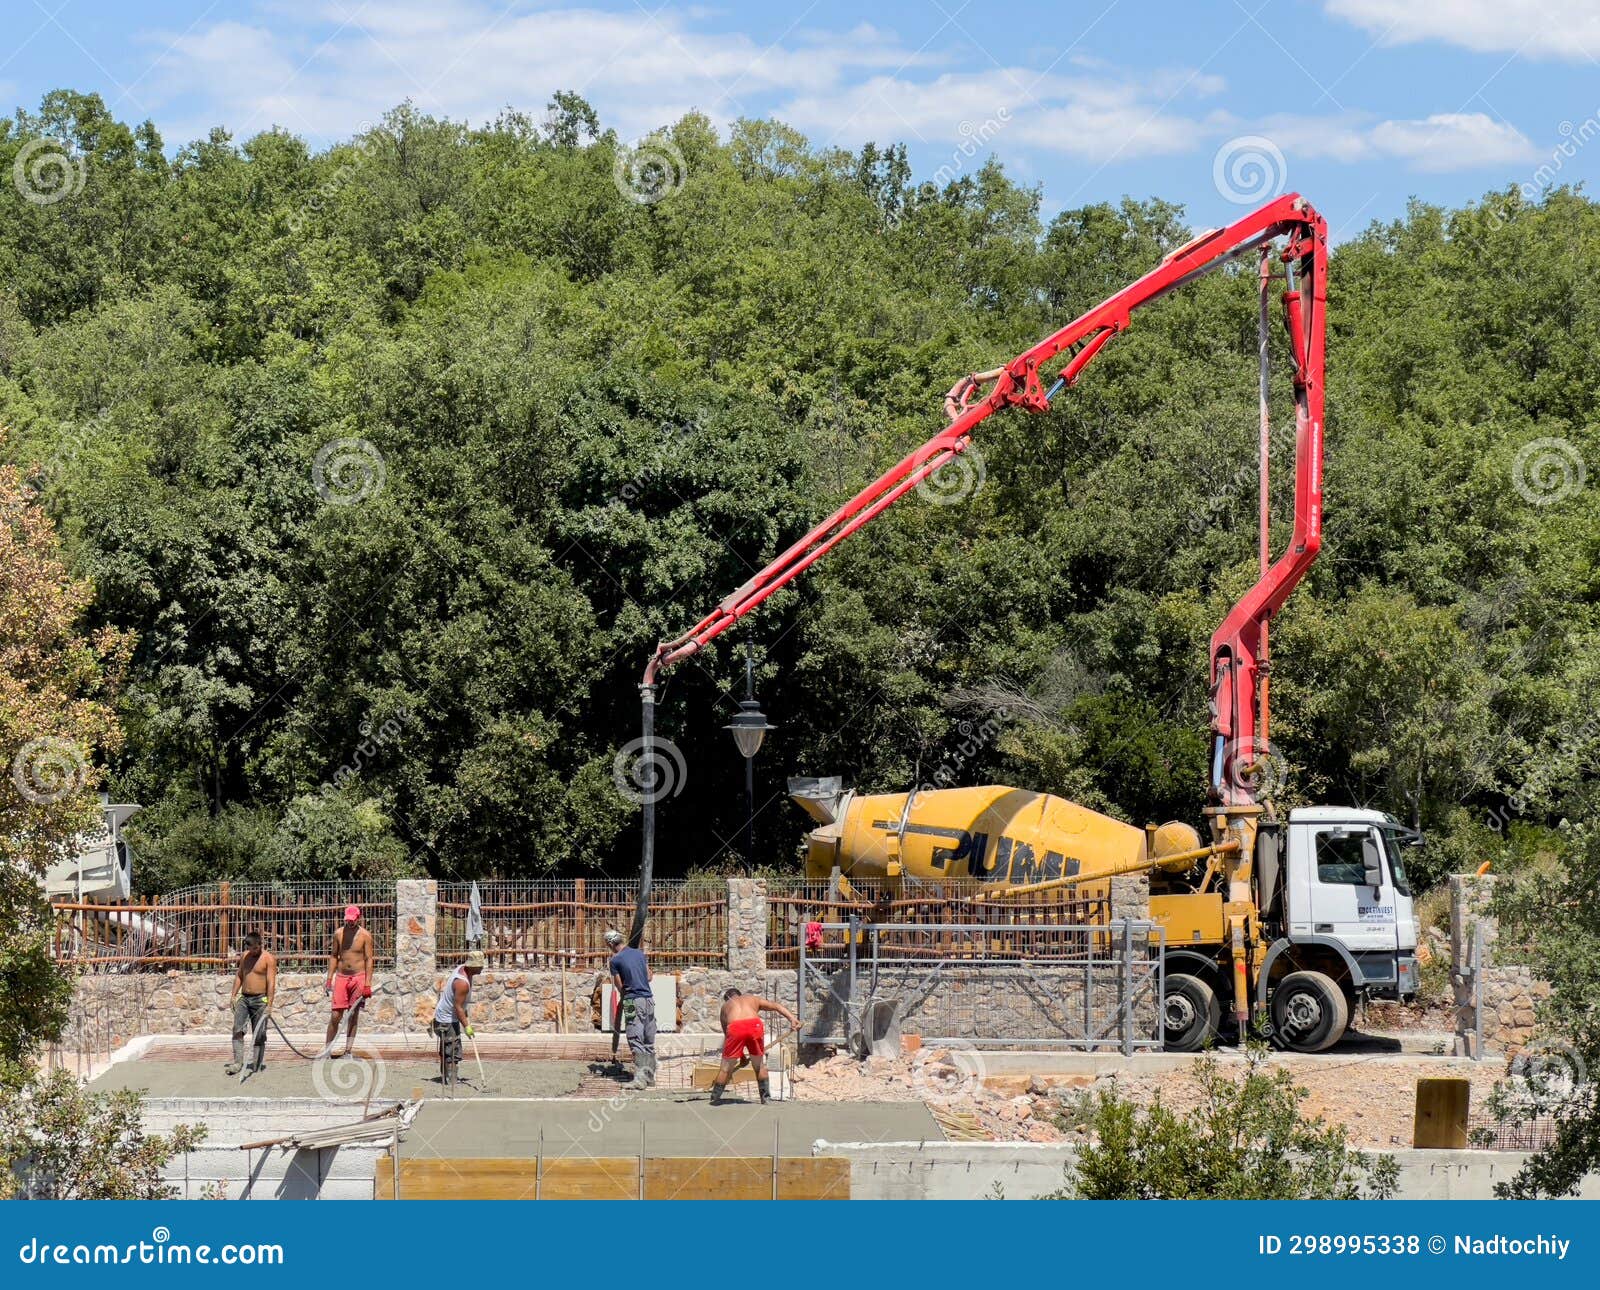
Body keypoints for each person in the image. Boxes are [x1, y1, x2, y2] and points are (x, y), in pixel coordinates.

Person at [711, 988, 800, 1106]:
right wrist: (792, 1019)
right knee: (759, 1066)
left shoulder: (725, 1006)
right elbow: (776, 1006)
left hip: (735, 1027)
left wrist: (741, 1056)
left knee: (725, 1069)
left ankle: (714, 1099)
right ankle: (766, 1098)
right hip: (755, 1025)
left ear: (727, 998)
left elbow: (728, 1034)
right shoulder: (752, 998)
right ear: (739, 995)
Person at [605, 928, 655, 1089]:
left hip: (631, 1001)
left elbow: (620, 986)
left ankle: (639, 1081)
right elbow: (649, 976)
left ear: (610, 944)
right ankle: (649, 1077)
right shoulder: (639, 953)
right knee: (648, 1040)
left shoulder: (615, 961)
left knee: (635, 1039)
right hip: (649, 1000)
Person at [323, 904, 375, 1057]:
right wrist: (329, 979)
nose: (350, 922)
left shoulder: (365, 935)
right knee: (335, 1015)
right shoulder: (339, 933)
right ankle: (327, 1049)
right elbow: (334, 956)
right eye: (348, 920)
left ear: (358, 918)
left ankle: (348, 1050)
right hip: (341, 977)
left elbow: (369, 959)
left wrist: (367, 984)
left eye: (353, 920)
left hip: (358, 977)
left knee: (353, 1015)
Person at [225, 929, 277, 1076]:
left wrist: (270, 1004)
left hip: (260, 1000)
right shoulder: (245, 957)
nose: (253, 950)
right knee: (237, 1029)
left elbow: (271, 982)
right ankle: (237, 1063)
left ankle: (256, 1063)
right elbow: (240, 975)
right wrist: (233, 996)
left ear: (261, 944)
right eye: (250, 948)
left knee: (259, 1034)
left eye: (256, 947)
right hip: (244, 998)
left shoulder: (268, 959)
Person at [431, 951, 485, 1086]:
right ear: (472, 966)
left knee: (447, 1046)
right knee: (452, 1048)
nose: (482, 968)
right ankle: (451, 1079)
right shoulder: (462, 983)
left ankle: (446, 1077)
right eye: (479, 966)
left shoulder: (463, 969)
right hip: (447, 1019)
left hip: (444, 1016)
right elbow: (458, 1007)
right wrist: (467, 1026)